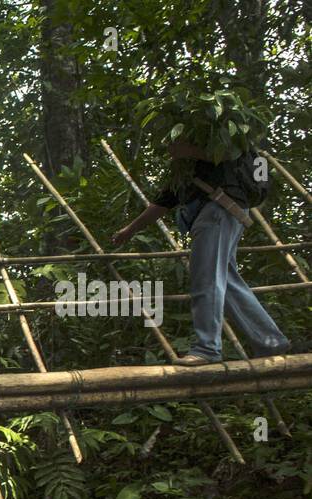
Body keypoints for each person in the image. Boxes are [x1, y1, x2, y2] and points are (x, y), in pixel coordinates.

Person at [110, 138, 290, 365]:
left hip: (218, 209)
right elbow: (167, 198)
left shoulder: (217, 134)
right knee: (226, 280)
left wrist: (189, 148)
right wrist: (130, 230)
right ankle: (270, 340)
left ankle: (207, 348)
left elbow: (231, 150)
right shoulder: (187, 168)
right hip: (223, 212)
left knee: (206, 278)